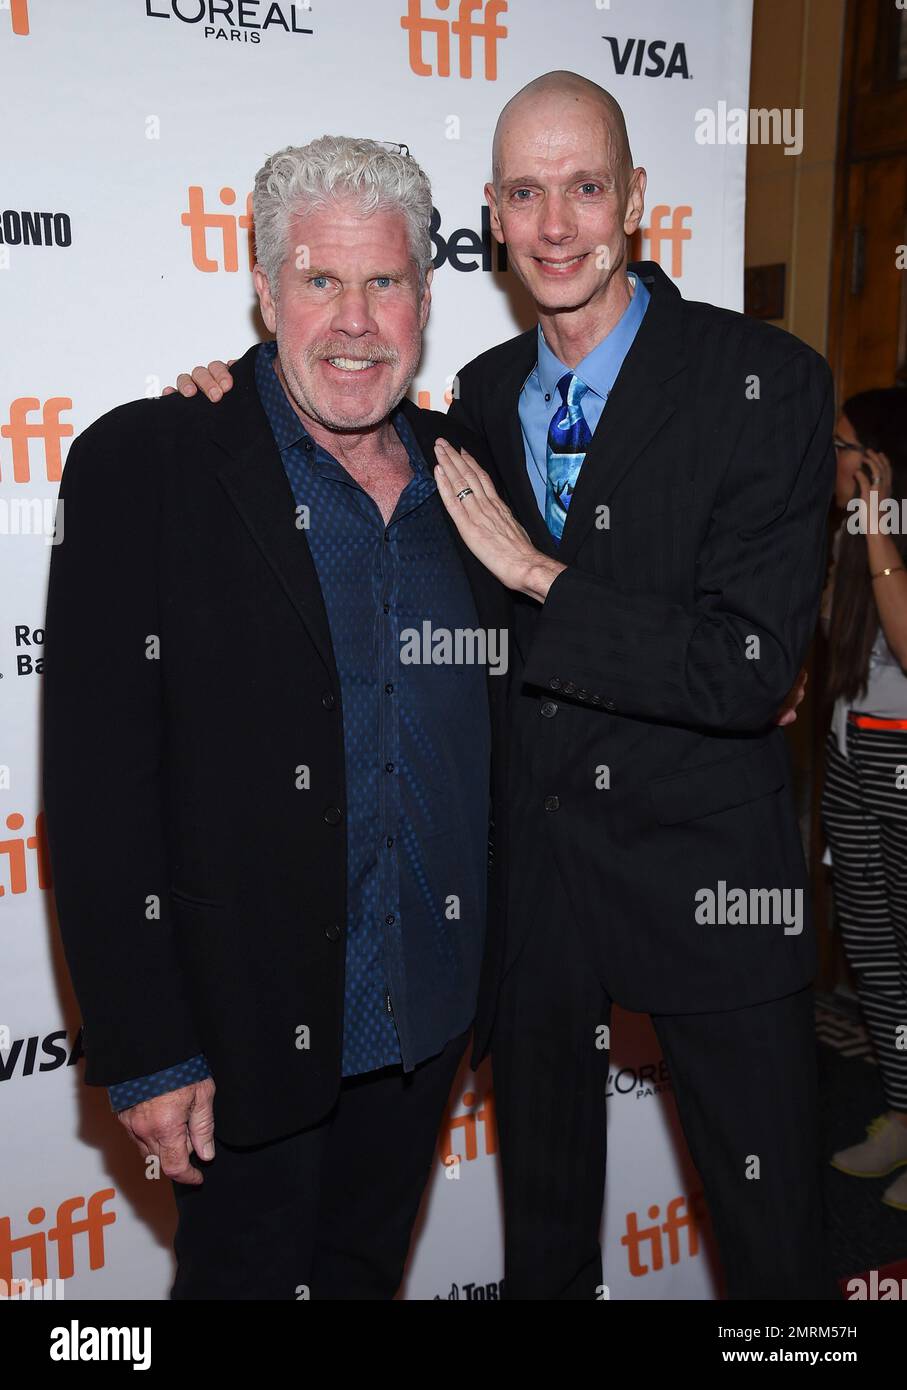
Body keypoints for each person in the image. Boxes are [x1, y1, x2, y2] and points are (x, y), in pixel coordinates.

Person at [171, 75, 825, 1300]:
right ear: (491, 216)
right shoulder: (468, 399)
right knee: (544, 1264)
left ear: (635, 199)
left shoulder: (763, 380)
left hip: (713, 893)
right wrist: (233, 404)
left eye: (586, 189)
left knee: (776, 1265)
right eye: (527, 195)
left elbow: (747, 670)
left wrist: (540, 575)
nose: (559, 225)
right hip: (529, 920)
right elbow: (336, 430)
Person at [42, 136, 511, 1300]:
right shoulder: (147, 465)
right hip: (242, 1025)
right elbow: (99, 787)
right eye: (318, 281)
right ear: (263, 289)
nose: (354, 321)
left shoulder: (472, 469)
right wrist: (147, 1048)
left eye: (384, 282)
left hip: (429, 1012)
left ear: (425, 293)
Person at [821, 387, 907, 1212]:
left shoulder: (881, 533)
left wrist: (878, 526)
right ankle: (901, 1112)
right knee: (876, 956)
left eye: (846, 446)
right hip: (852, 758)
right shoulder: (850, 535)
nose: (834, 461)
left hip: (901, 761)